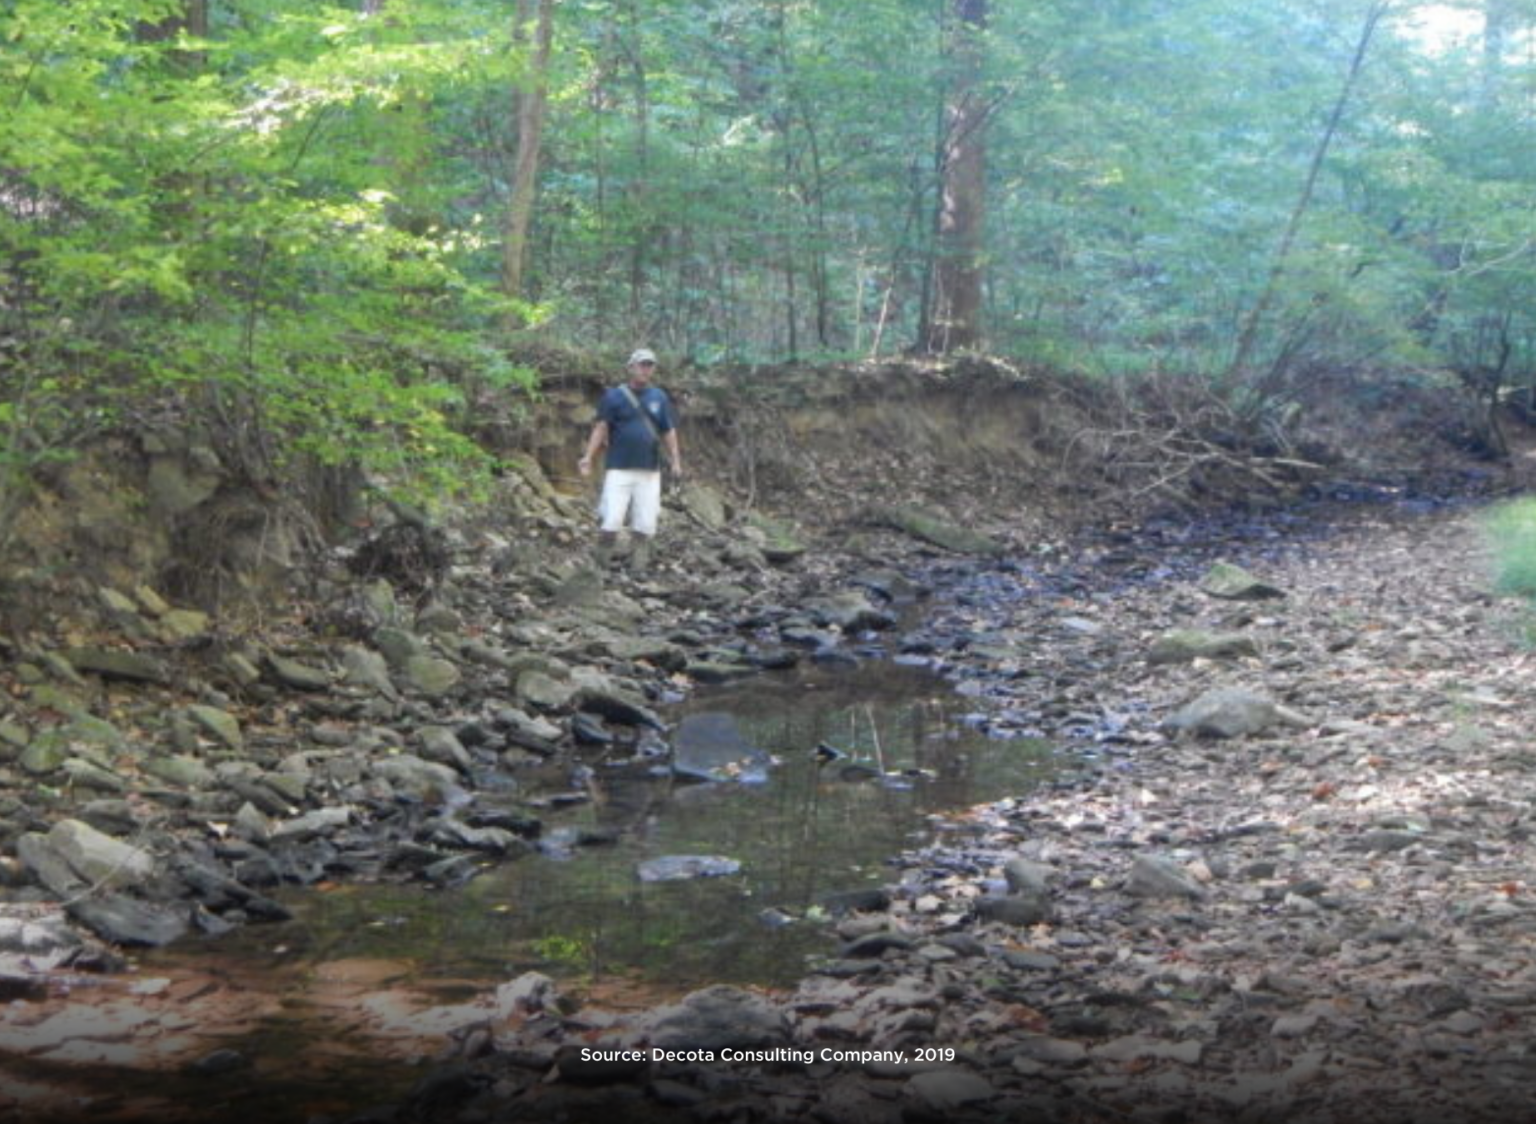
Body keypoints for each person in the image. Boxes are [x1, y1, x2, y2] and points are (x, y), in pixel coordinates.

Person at [577, 348, 682, 572]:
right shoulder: (613, 396)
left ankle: (638, 569)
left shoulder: (659, 397)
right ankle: (599, 567)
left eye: (650, 365)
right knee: (611, 518)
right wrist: (588, 456)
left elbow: (668, 431)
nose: (646, 369)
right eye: (642, 364)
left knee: (645, 522)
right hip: (619, 468)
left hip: (649, 470)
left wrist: (676, 460)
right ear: (631, 367)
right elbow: (601, 427)